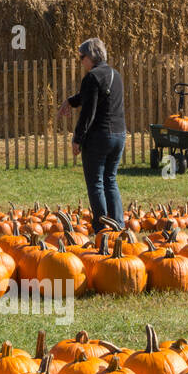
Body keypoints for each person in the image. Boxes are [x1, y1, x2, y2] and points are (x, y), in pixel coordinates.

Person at [57, 37, 126, 230]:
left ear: (91, 56)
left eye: (81, 57)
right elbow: (91, 97)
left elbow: (89, 111)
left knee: (96, 182)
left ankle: (102, 227)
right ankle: (118, 226)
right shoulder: (115, 75)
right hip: (119, 134)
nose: (81, 61)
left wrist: (77, 138)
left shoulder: (92, 77)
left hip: (99, 136)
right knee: (110, 180)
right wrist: (71, 101)